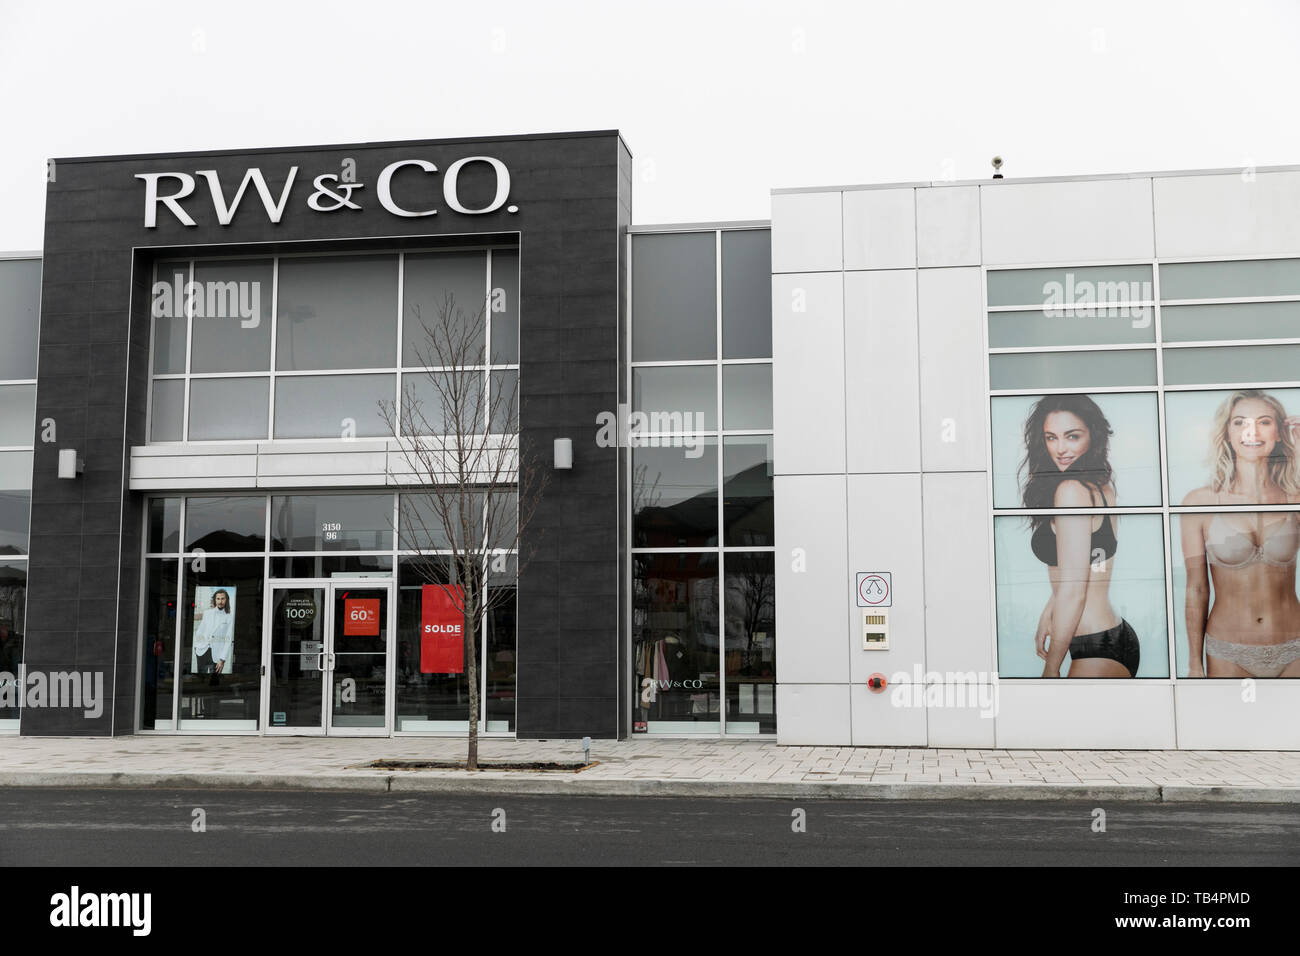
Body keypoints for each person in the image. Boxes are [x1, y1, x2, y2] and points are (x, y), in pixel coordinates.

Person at [1180, 390, 1300, 677]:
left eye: (1264, 422)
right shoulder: (1200, 502)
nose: (1252, 432)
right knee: (1228, 724)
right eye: (1240, 422)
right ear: (1227, 433)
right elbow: (1196, 589)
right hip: (1227, 651)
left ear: (1281, 433)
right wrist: (1194, 664)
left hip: (1294, 647)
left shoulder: (1294, 498)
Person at [1019, 395, 1139, 678]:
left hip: (1095, 644)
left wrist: (1051, 669)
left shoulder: (1072, 491)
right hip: (1112, 633)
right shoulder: (1100, 485)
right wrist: (1050, 609)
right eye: (1051, 438)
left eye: (1072, 436)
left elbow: (1075, 590)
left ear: (1092, 436)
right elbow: (1094, 561)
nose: (1060, 449)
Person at [193, 588, 234, 675]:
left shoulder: (229, 617)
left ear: (226, 600)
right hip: (202, 651)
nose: (220, 601)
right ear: (215, 600)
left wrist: (222, 659)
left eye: (223, 599)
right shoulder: (207, 613)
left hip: (217, 655)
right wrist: (196, 645)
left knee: (214, 681)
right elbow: (200, 630)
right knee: (201, 679)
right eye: (218, 599)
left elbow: (228, 640)